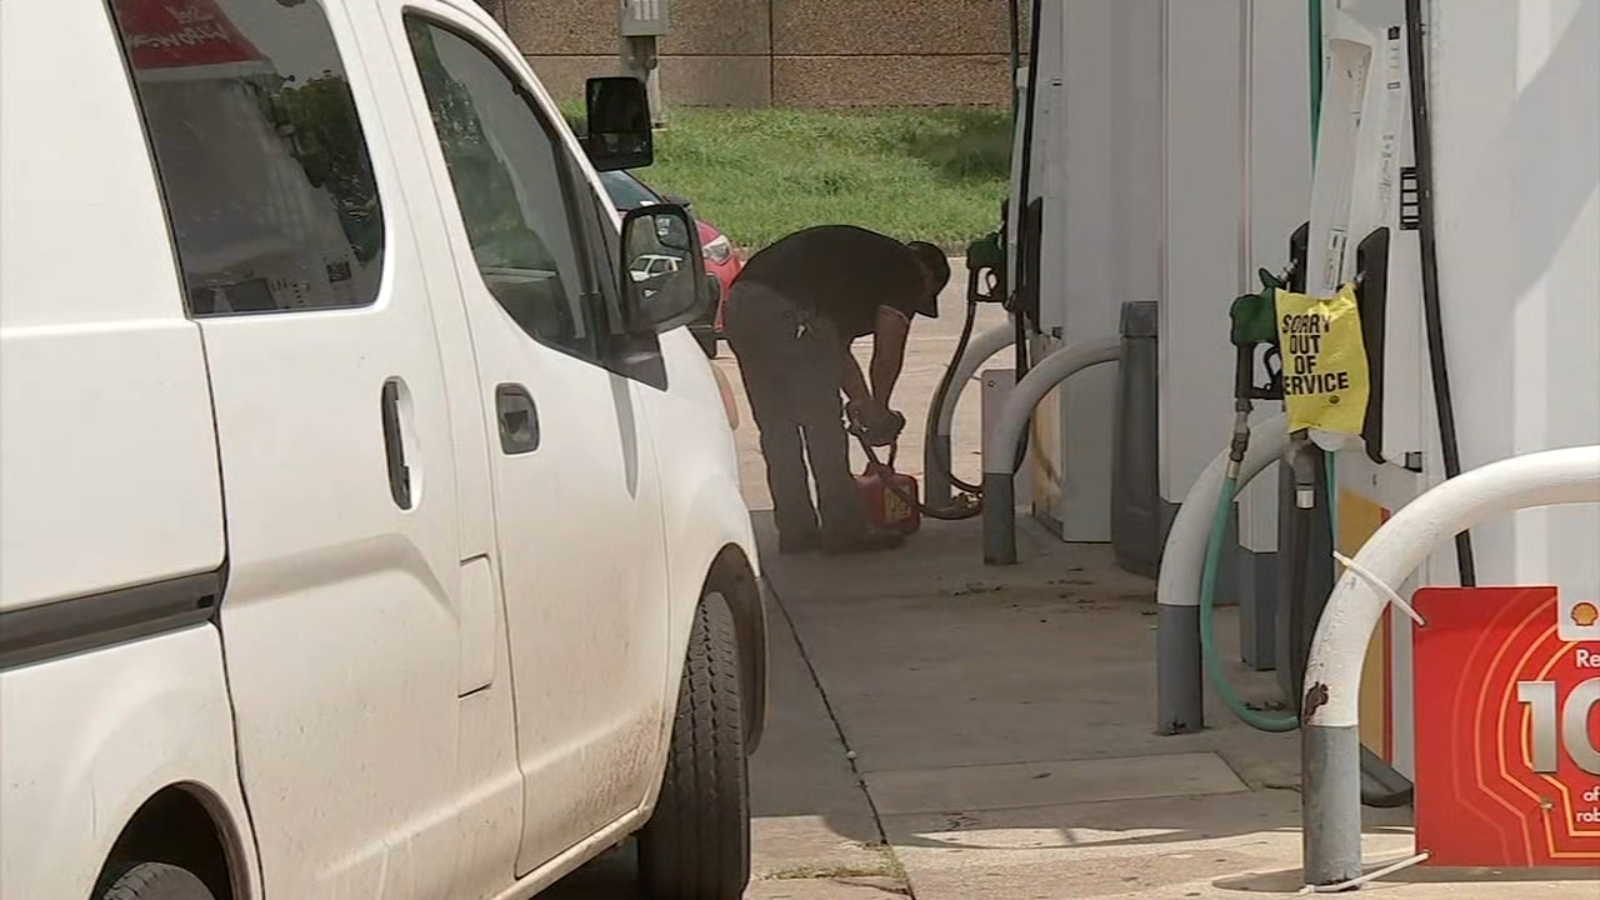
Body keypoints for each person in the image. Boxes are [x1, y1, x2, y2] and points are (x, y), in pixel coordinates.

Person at [723, 225, 950, 554]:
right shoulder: (907, 271)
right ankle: (843, 530)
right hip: (790, 311)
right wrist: (879, 408)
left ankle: (796, 530)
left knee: (777, 428)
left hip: (740, 304)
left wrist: (863, 401)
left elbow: (836, 350)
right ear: (929, 277)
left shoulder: (856, 271)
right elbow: (888, 351)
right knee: (823, 427)